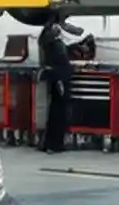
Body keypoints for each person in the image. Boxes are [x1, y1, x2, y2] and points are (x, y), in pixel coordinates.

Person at [37, 13, 88, 154]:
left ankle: (52, 143)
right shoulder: (52, 42)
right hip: (59, 79)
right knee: (58, 112)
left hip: (60, 77)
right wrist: (60, 79)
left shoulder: (53, 41)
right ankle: (53, 143)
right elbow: (58, 62)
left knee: (57, 111)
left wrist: (76, 47)